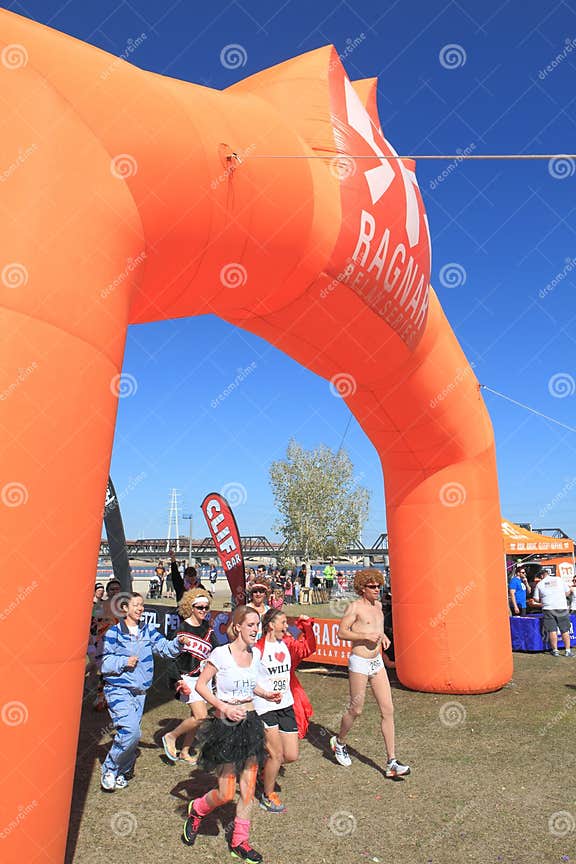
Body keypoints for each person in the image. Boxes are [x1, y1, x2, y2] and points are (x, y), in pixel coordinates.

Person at [182, 606, 281, 862]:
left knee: (247, 787)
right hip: (225, 726)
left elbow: (251, 683)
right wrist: (223, 707)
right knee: (226, 793)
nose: (255, 630)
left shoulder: (255, 654)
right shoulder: (220, 654)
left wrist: (265, 694)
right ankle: (198, 809)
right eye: (250, 625)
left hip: (250, 723)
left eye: (257, 625)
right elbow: (202, 686)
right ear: (237, 626)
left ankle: (240, 841)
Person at [100, 593, 190, 791]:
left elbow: (164, 648)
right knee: (131, 731)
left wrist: (178, 643)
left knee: (133, 733)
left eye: (142, 605)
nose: (140, 608)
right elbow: (104, 664)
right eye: (136, 605)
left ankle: (123, 771)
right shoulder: (114, 633)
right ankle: (110, 768)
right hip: (118, 690)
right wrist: (124, 661)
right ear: (125, 608)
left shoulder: (148, 630)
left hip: (140, 692)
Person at [330, 568, 410, 778]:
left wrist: (382, 637)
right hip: (359, 663)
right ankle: (339, 742)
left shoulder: (379, 607)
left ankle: (391, 761)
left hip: (376, 663)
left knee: (388, 710)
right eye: (372, 586)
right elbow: (341, 632)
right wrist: (365, 635)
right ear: (362, 588)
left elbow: (377, 628)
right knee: (356, 710)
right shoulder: (355, 607)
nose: (377, 589)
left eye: (378, 585)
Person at [254, 609, 316, 812]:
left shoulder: (287, 644)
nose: (286, 626)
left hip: (286, 705)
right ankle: (267, 795)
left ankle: (261, 767)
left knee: (291, 755)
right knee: (277, 755)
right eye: (282, 622)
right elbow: (248, 679)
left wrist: (307, 627)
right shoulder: (257, 649)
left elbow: (308, 648)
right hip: (264, 707)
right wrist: (264, 694)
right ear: (271, 625)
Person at [161, 588, 218, 764]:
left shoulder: (208, 629)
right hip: (186, 678)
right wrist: (177, 679)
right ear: (191, 607)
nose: (203, 610)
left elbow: (216, 652)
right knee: (201, 715)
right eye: (199, 607)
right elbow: (169, 658)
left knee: (196, 717)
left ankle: (185, 751)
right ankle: (171, 736)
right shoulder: (181, 629)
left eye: (206, 607)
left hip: (203, 679)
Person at [532, 567, 573, 656]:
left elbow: (536, 598)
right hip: (561, 607)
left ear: (542, 575)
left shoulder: (540, 584)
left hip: (548, 608)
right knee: (565, 630)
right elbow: (568, 592)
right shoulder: (559, 579)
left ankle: (555, 650)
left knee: (552, 630)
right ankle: (568, 650)